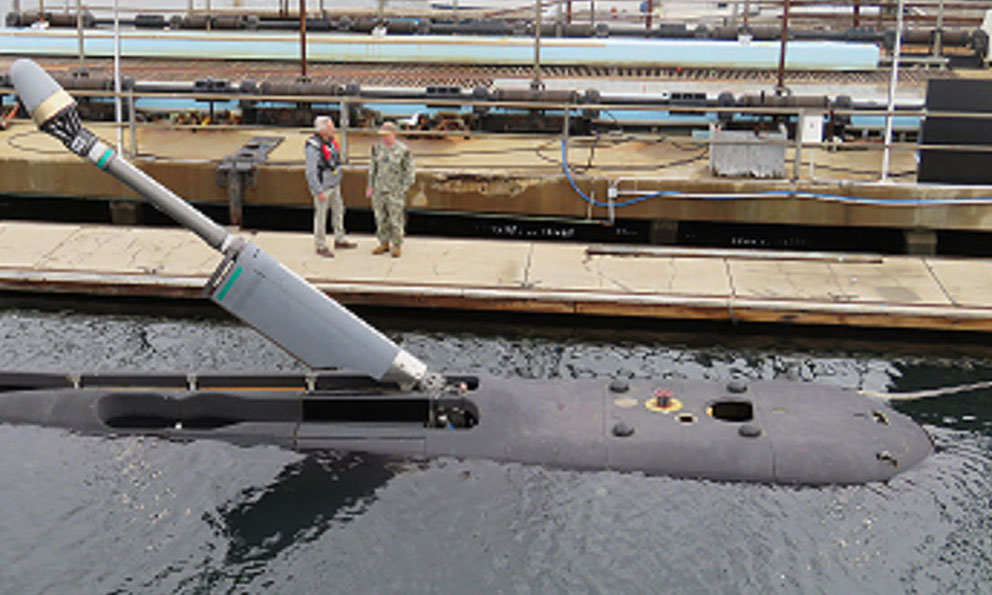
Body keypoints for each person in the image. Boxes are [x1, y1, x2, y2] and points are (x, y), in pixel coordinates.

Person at [305, 115, 356, 257]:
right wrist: (317, 190)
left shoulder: (331, 142)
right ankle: (320, 245)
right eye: (330, 126)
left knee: (339, 211)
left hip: (334, 184)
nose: (333, 128)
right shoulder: (313, 147)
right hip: (323, 187)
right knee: (321, 217)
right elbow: (311, 171)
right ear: (322, 129)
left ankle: (339, 238)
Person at [366, 121, 415, 258]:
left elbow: (410, 171)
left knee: (396, 219)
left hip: (395, 190)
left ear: (394, 134)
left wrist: (403, 188)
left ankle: (397, 244)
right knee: (381, 218)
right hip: (379, 189)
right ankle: (384, 242)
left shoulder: (403, 150)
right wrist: (370, 186)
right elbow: (372, 169)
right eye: (382, 135)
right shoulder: (377, 149)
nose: (384, 138)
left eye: (387, 135)